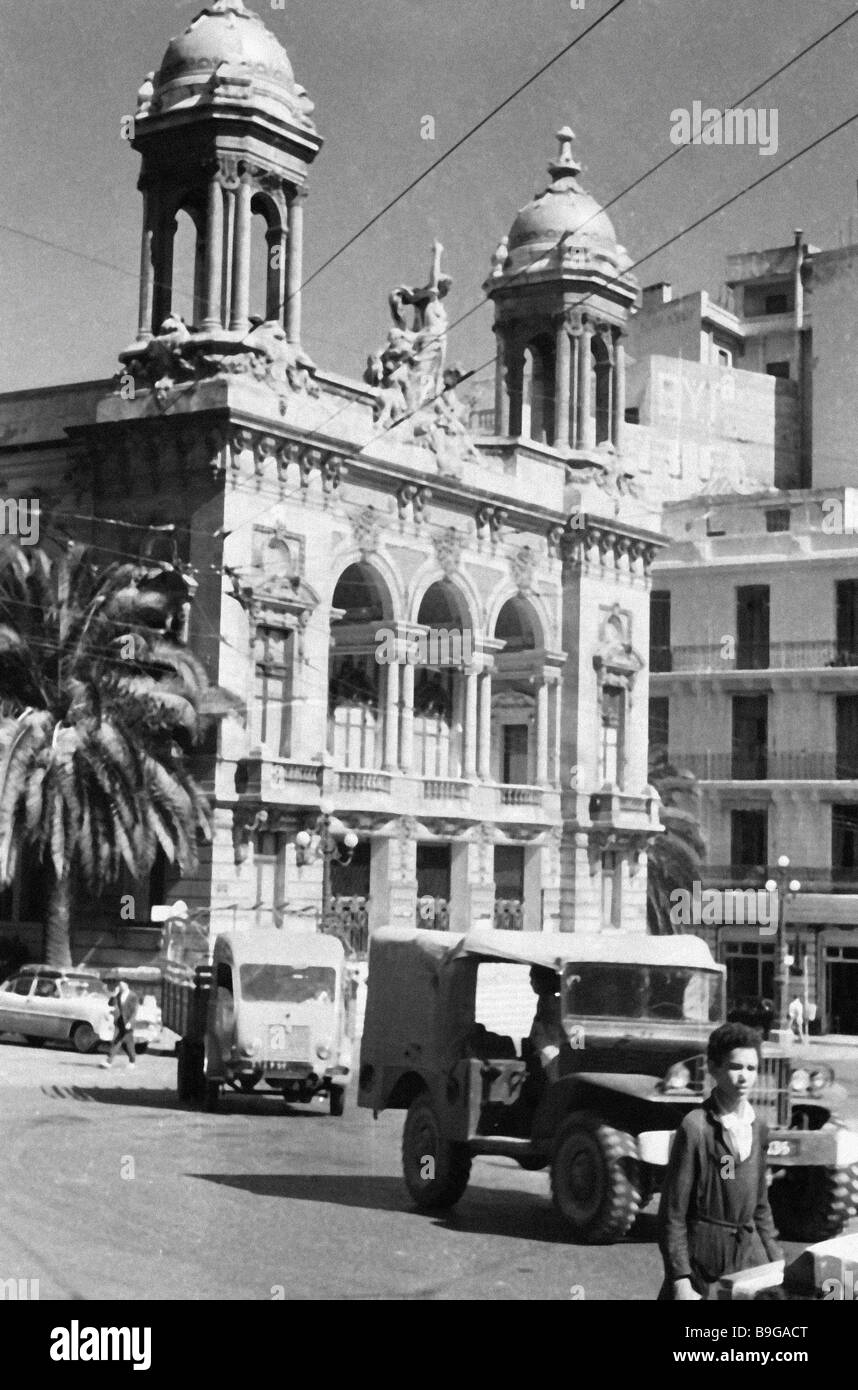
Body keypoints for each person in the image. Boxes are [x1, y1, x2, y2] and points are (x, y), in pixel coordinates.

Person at [657, 1022, 782, 1300]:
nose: (744, 1077)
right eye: (735, 1067)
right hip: (701, 1265)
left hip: (745, 1262)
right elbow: (673, 1213)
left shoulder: (758, 1127)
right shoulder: (696, 1127)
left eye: (751, 1068)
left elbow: (761, 1205)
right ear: (713, 1068)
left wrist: (776, 1259)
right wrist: (680, 1279)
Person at [528, 965, 563, 1081]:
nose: (531, 983)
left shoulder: (560, 1003)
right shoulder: (545, 1000)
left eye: (533, 979)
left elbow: (577, 1029)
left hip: (559, 1059)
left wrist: (551, 1050)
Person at [101, 978, 139, 1069]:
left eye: (122, 985)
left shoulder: (133, 996)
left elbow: (135, 1011)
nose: (121, 986)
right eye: (120, 985)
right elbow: (110, 1004)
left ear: (127, 985)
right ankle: (109, 1061)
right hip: (119, 1022)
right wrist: (114, 995)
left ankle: (132, 1061)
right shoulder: (118, 995)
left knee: (128, 1044)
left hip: (128, 1023)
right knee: (116, 1041)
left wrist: (130, 1022)